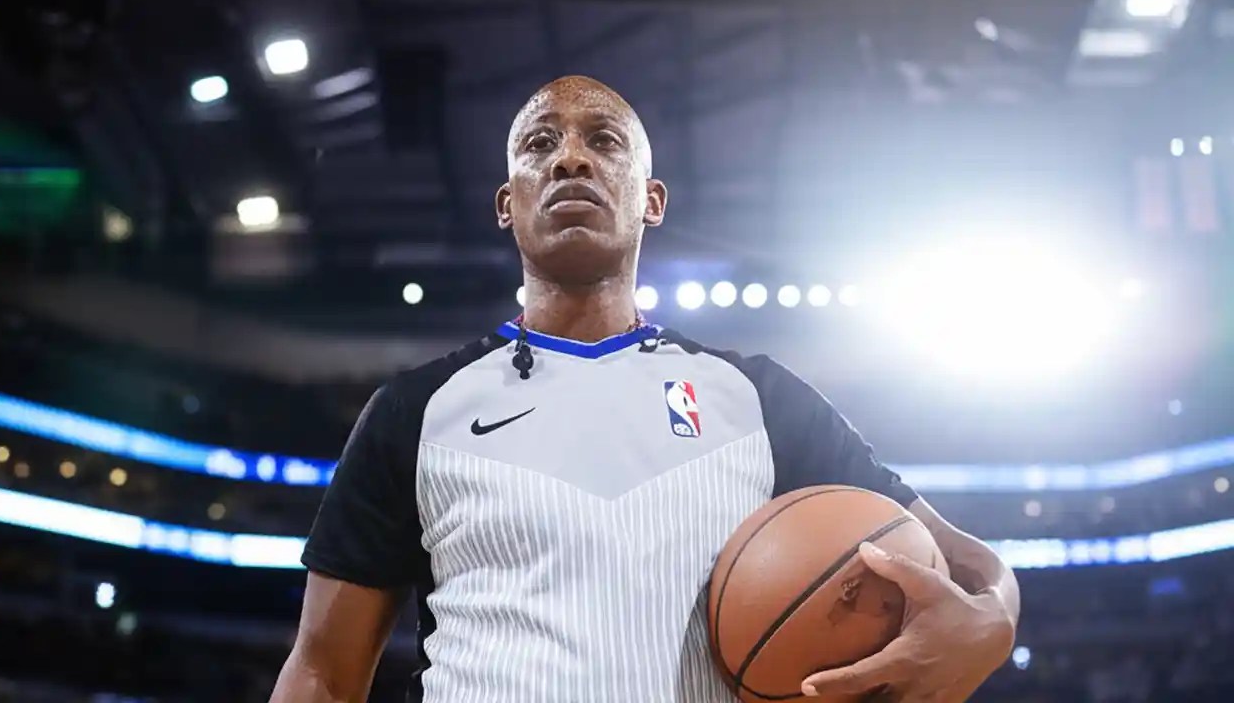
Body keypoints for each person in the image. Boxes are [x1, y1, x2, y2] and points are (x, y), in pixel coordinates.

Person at [270, 75, 1020, 703]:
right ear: (508, 205)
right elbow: (321, 674)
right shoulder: (416, 410)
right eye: (540, 144)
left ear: (651, 200)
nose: (570, 160)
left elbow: (970, 566)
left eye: (603, 142)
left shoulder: (759, 398)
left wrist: (993, 624)